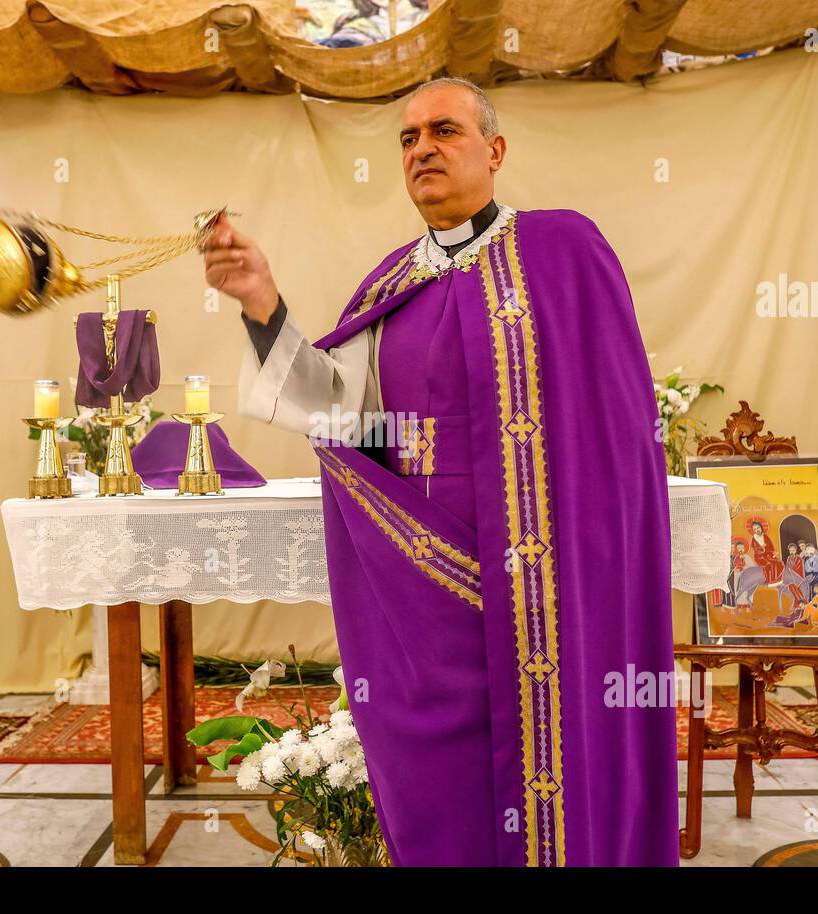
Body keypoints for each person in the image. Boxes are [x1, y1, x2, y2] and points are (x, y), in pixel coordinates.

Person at [202, 77, 676, 866]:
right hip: (435, 595)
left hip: (552, 587)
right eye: (408, 138)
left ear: (493, 152)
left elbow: (617, 431)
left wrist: (599, 559)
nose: (422, 148)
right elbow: (336, 413)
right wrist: (261, 300)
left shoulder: (565, 250)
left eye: (444, 131)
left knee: (562, 772)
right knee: (449, 794)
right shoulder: (393, 284)